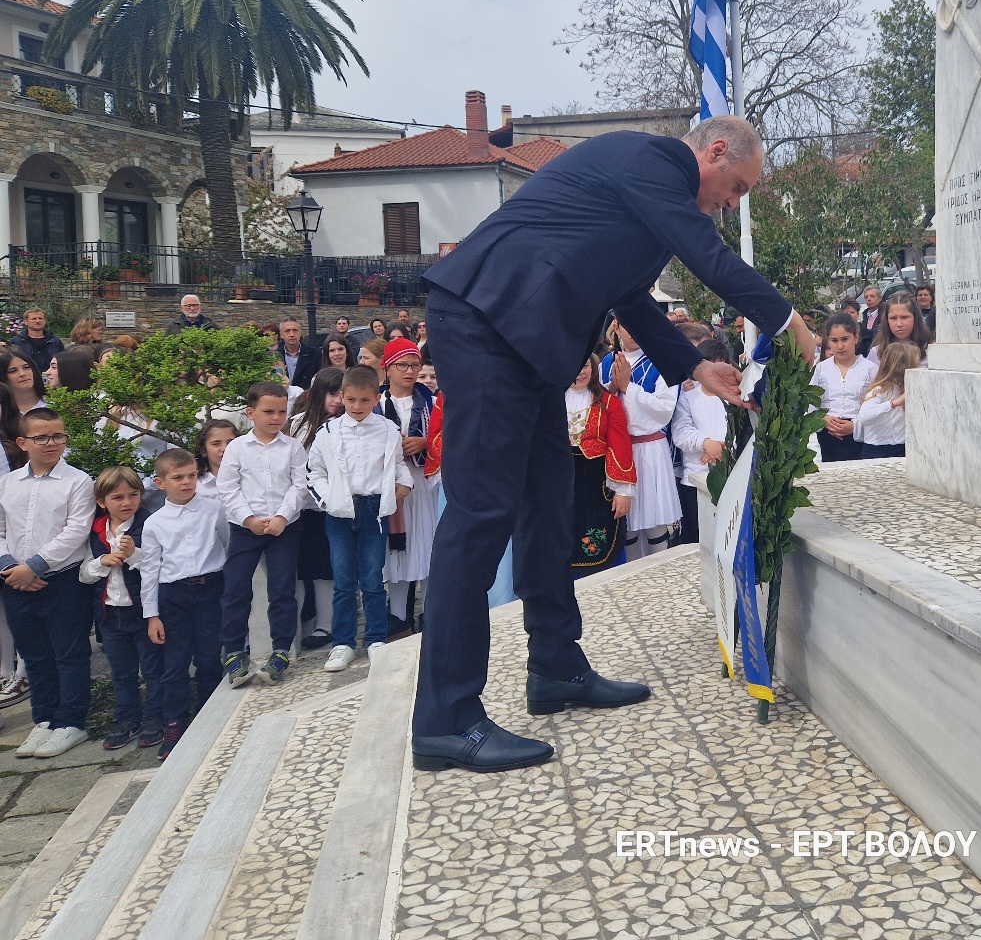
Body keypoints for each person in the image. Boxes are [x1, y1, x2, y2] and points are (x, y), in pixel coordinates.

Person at [412, 114, 812, 774]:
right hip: (485, 323)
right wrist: (788, 321)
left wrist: (693, 366)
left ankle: (556, 669)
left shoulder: (649, 194)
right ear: (713, 152)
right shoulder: (653, 163)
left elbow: (631, 299)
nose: (731, 204)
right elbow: (709, 261)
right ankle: (446, 720)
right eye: (737, 187)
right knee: (480, 517)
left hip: (527, 343)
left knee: (549, 507)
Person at [0, 409, 96, 759]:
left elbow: (75, 531)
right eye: (41, 437)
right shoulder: (8, 483)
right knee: (35, 654)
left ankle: (71, 722)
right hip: (15, 581)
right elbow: (1, 530)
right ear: (23, 443)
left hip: (62, 580)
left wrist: (36, 566)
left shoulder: (77, 482)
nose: (51, 443)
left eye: (58, 436)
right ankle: (45, 718)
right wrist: (11, 567)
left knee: (69, 652)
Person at [307, 364, 412, 672]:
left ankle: (376, 639)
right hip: (339, 514)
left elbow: (397, 465)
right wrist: (330, 499)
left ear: (376, 398)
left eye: (364, 401)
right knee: (343, 580)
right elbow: (314, 472)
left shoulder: (387, 430)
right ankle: (343, 643)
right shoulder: (328, 431)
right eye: (351, 400)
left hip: (374, 511)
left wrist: (405, 484)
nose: (356, 407)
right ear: (342, 396)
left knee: (373, 578)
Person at [141, 447, 230, 760]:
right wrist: (151, 614)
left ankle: (210, 717)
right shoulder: (154, 523)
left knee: (208, 657)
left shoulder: (214, 509)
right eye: (178, 477)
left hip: (209, 589)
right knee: (175, 663)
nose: (186, 482)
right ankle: (175, 723)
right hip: (174, 596)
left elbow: (225, 544)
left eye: (191, 475)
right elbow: (150, 569)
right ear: (160, 482)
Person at [216, 383, 306, 688]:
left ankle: (281, 648)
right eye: (268, 411)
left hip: (285, 527)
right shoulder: (237, 448)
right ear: (250, 412)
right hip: (245, 529)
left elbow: (299, 486)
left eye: (282, 411)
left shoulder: (293, 447)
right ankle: (234, 651)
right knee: (236, 589)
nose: (276, 417)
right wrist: (248, 518)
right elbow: (228, 488)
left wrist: (282, 516)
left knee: (282, 588)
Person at [80, 467, 162, 751]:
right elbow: (83, 572)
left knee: (153, 669)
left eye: (133, 495)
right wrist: (102, 562)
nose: (126, 503)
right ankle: (128, 719)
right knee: (122, 673)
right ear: (102, 501)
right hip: (109, 614)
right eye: (117, 497)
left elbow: (158, 566)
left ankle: (156, 719)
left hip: (142, 612)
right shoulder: (95, 530)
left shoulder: (149, 524)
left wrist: (133, 555)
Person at [602, 321, 682, 561]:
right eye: (627, 325)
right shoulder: (606, 363)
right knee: (628, 524)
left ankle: (661, 573)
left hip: (650, 448)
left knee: (655, 520)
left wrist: (628, 388)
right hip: (618, 449)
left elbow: (664, 408)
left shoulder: (662, 361)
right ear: (616, 327)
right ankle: (634, 573)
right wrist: (613, 386)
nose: (634, 331)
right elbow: (598, 402)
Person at [379, 338, 437, 639]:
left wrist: (425, 443)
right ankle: (398, 616)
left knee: (428, 546)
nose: (410, 371)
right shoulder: (375, 403)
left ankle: (430, 611)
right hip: (391, 488)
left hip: (425, 483)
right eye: (402, 365)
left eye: (415, 365)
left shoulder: (431, 401)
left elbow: (448, 432)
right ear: (386, 367)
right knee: (397, 551)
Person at [288, 369, 343, 652]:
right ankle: (294, 627)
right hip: (300, 507)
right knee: (299, 569)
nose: (337, 400)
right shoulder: (297, 424)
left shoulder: (346, 424)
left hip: (331, 507)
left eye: (341, 394)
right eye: (332, 393)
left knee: (325, 567)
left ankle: (326, 625)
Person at [565, 355, 633, 573]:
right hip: (559, 482)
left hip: (596, 484)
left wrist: (624, 490)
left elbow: (620, 445)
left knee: (599, 539)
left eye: (584, 365)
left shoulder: (609, 403)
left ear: (593, 368)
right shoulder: (550, 400)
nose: (580, 372)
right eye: (574, 366)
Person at [670, 337, 732, 548]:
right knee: (696, 540)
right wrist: (705, 443)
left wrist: (723, 450)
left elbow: (745, 431)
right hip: (695, 478)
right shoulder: (688, 398)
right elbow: (681, 431)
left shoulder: (736, 397)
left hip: (731, 476)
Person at [810, 314, 872, 463]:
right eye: (834, 341)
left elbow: (874, 406)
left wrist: (854, 426)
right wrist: (824, 419)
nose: (840, 346)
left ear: (856, 337)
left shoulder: (870, 369)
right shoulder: (820, 369)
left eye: (845, 339)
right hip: (828, 435)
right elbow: (810, 404)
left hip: (859, 437)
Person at [855, 342, 916, 458]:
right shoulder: (879, 390)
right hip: (877, 449)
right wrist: (893, 404)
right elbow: (863, 417)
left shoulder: (909, 388)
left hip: (902, 447)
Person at [868, 289, 934, 367]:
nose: (899, 324)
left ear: (915, 318)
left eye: (904, 317)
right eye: (893, 318)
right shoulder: (876, 353)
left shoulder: (930, 351)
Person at [194, 420, 239, 503]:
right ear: (203, 451)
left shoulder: (249, 479)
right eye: (216, 444)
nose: (224, 448)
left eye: (230, 443)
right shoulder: (196, 486)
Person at [274, 320, 322, 393]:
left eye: (295, 330)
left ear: (300, 333)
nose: (291, 334)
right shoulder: (275, 356)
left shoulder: (315, 354)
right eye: (287, 331)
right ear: (281, 335)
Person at [10, 309, 62, 374]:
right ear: (26, 322)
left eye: (40, 318)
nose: (37, 321)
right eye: (33, 319)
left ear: (45, 321)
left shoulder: (55, 342)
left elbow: (62, 363)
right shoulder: (16, 342)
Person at [857, 286, 883, 358]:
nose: (869, 299)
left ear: (880, 298)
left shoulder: (885, 314)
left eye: (872, 296)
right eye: (866, 297)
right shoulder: (865, 315)